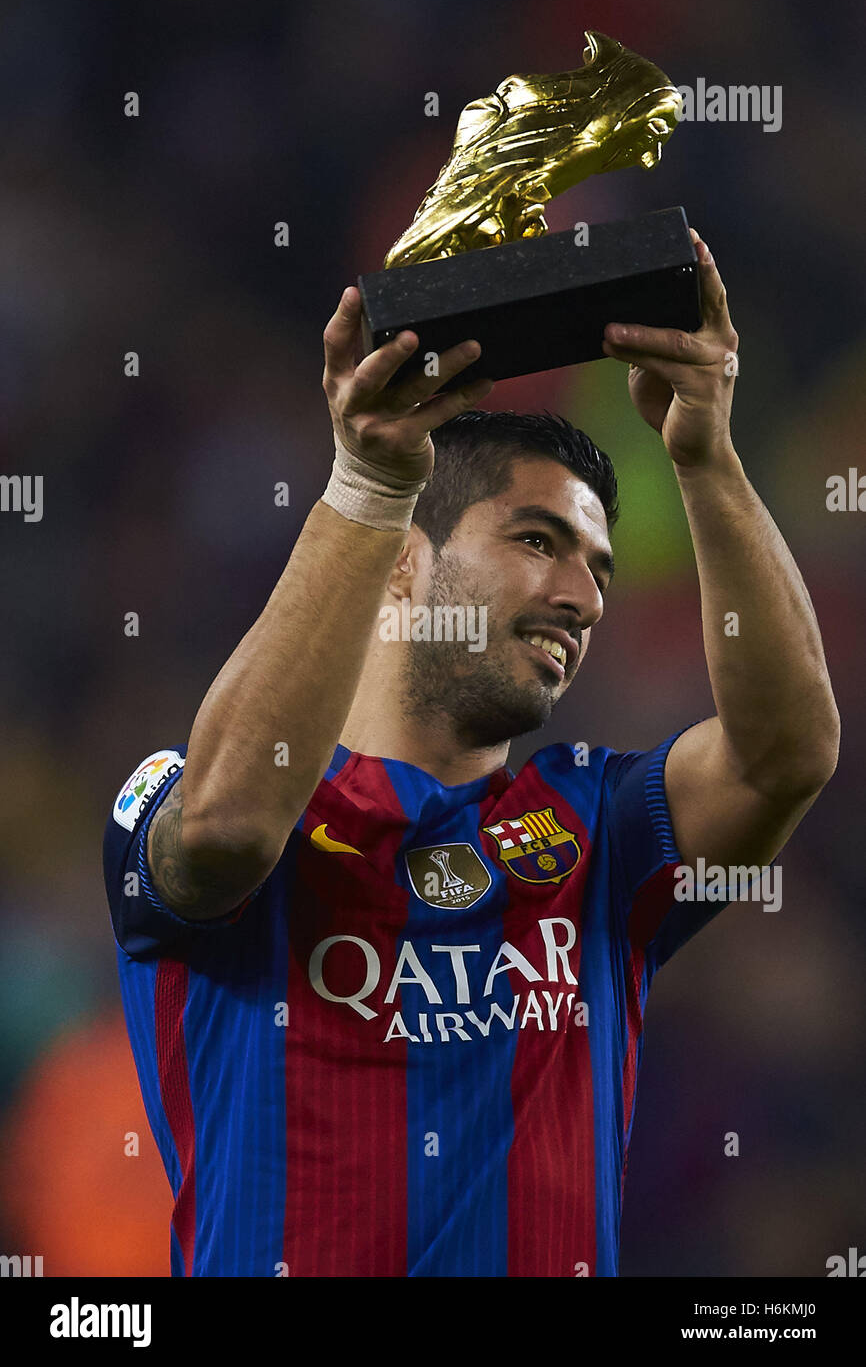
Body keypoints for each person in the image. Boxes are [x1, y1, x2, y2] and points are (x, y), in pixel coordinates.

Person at [103, 229, 839, 1277]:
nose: (582, 599)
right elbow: (223, 832)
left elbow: (785, 755)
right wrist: (365, 483)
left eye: (595, 567)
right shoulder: (188, 799)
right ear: (403, 567)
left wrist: (704, 456)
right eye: (536, 541)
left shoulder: (596, 830)